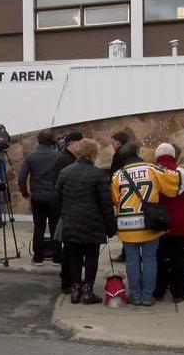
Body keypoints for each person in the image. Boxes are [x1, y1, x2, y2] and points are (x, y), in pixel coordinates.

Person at [110, 142, 184, 307]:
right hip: (149, 223)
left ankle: (135, 294)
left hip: (127, 225)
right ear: (138, 152)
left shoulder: (117, 175)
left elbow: (114, 200)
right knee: (149, 258)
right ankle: (147, 296)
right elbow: (175, 182)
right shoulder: (151, 169)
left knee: (132, 260)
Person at [55, 139, 116, 305]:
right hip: (92, 223)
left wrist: (66, 214)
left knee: (74, 256)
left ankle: (75, 290)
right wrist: (111, 226)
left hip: (71, 221)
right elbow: (106, 204)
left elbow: (57, 198)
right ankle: (88, 291)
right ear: (93, 154)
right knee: (91, 256)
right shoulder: (99, 175)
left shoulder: (65, 172)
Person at [153, 143, 184, 303]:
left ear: (157, 156)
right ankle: (178, 292)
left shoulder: (152, 172)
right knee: (179, 256)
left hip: (158, 222)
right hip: (180, 222)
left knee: (159, 256)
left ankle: (158, 290)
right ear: (173, 155)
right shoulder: (182, 173)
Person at [18, 130, 61, 266]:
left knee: (39, 227)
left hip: (37, 196)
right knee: (55, 227)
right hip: (54, 196)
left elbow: (22, 177)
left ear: (39, 140)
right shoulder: (58, 156)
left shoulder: (31, 156)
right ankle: (57, 256)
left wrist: (25, 193)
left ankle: (38, 257)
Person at [53, 131, 83, 294]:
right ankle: (67, 280)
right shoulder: (64, 160)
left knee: (71, 248)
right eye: (80, 142)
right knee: (69, 248)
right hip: (67, 210)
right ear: (72, 143)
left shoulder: (69, 159)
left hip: (70, 209)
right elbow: (59, 187)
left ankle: (70, 279)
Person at [109, 131, 130, 262]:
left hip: (122, 191)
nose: (112, 144)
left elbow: (114, 173)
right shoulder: (130, 153)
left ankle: (125, 253)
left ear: (118, 142)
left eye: (113, 141)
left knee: (123, 223)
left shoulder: (118, 155)